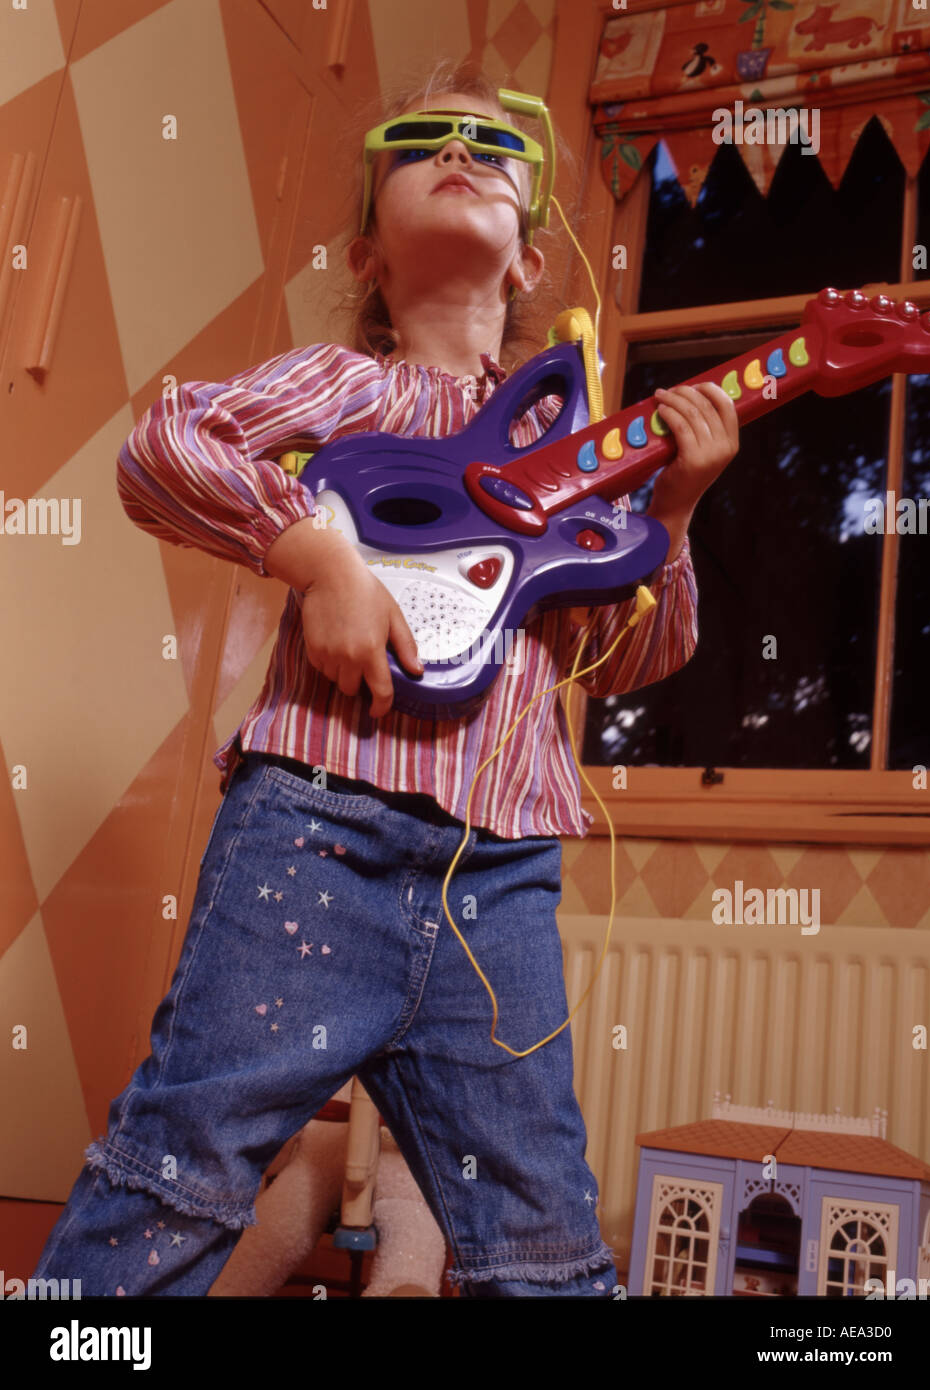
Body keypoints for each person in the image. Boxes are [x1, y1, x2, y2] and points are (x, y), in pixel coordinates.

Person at [31, 62, 738, 1298]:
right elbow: (162, 444)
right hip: (312, 834)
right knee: (173, 1174)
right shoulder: (345, 385)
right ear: (368, 252)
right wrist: (316, 557)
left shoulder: (575, 450)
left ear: (529, 258)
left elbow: (635, 656)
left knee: (544, 1242)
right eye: (423, 143)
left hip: (498, 874)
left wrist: (670, 514)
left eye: (491, 146)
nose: (460, 151)